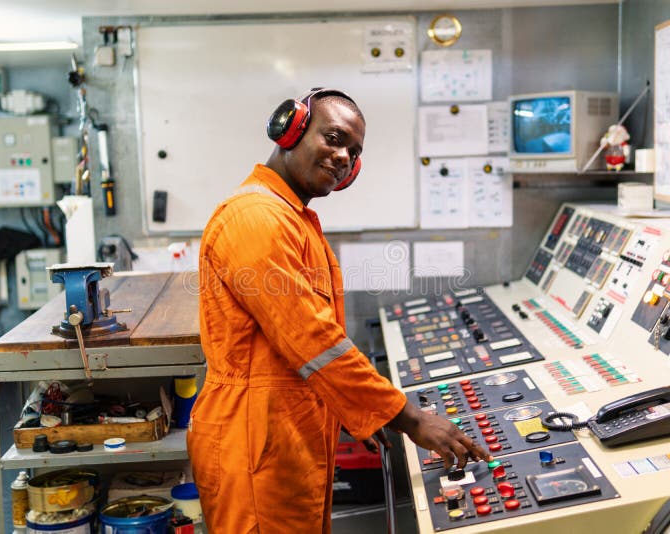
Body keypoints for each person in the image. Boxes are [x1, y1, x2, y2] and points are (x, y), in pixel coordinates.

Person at [187, 88, 490, 533]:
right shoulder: (256, 219)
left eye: (354, 151)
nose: (343, 156)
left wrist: (351, 409)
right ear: (290, 130)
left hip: (285, 434)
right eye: (333, 137)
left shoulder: (294, 219)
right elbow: (313, 340)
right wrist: (407, 416)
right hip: (255, 442)